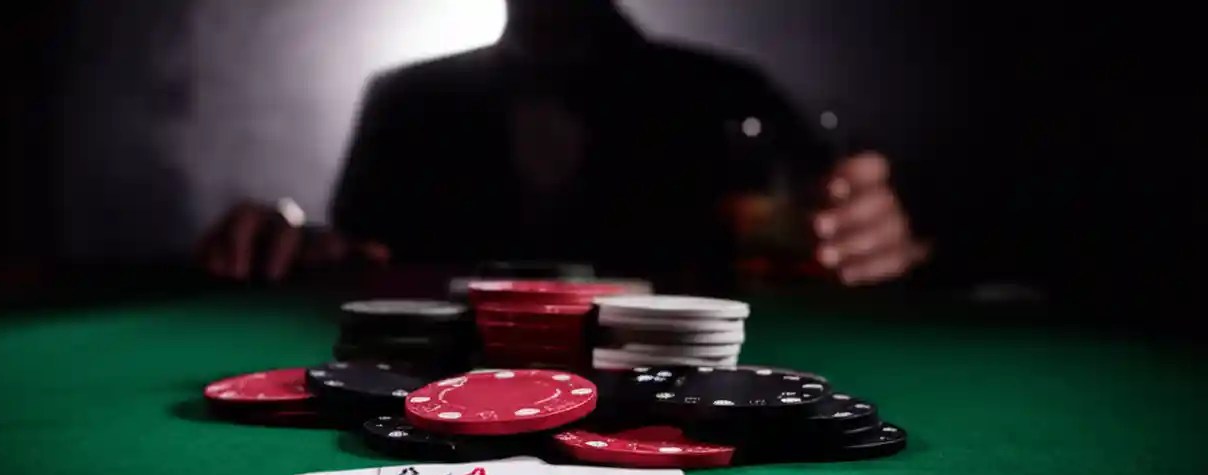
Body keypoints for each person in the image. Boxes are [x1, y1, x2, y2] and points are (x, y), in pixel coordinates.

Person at [199, 0, 928, 290]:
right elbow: (362, 260)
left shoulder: (724, 92)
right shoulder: (405, 99)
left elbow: (847, 226)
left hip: (698, 415)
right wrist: (291, 242)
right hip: (442, 414)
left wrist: (889, 238)